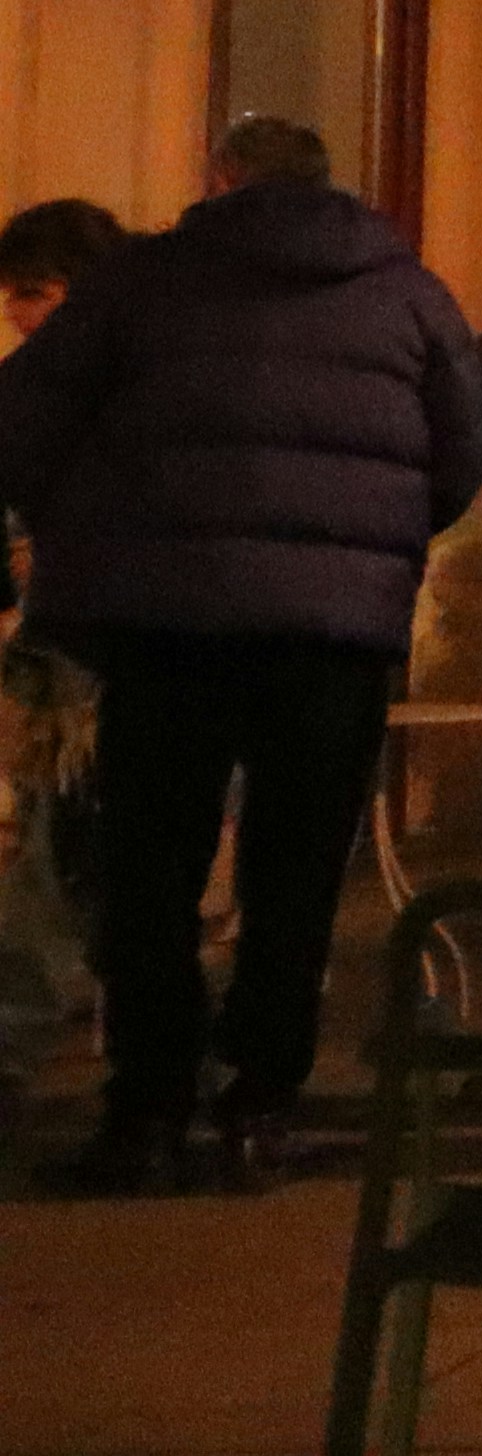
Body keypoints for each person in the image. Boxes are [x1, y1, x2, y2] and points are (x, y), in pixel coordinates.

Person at [0, 115, 482, 1191]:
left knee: (152, 872)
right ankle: (260, 1106)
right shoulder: (407, 291)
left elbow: (24, 420)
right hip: (332, 637)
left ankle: (147, 1110)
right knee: (296, 877)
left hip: (165, 621)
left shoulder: (143, 281)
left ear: (219, 179)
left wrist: (82, 529)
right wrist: (370, 549)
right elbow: (462, 451)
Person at [0, 199, 129, 1077]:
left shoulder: (128, 388)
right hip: (57, 640)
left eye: (33, 293)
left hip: (111, 639)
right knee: (46, 836)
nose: (17, 314)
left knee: (85, 843)